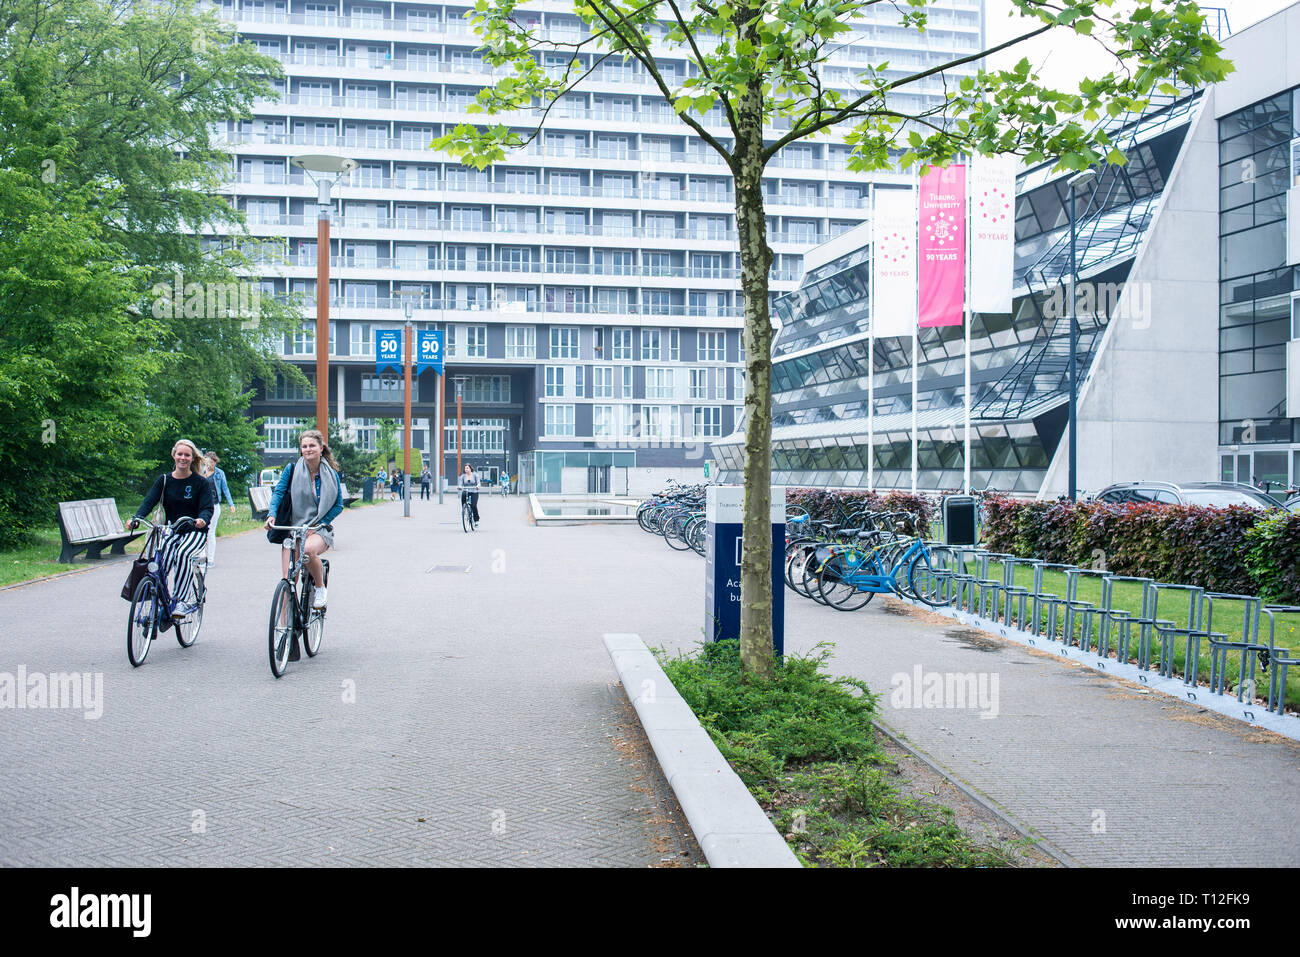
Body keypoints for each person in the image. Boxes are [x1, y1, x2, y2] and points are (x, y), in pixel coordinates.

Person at [128, 439, 215, 622]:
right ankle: (160, 598)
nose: (182, 458)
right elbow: (148, 502)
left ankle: (181, 600)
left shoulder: (200, 483)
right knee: (161, 559)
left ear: (192, 459)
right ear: (174, 456)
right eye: (179, 454)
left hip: (193, 531)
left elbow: (207, 508)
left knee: (182, 554)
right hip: (171, 529)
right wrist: (137, 519)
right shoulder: (165, 480)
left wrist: (202, 519)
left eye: (187, 455)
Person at [264, 429, 343, 612]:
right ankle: (284, 629)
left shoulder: (331, 474)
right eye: (304, 446)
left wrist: (316, 526)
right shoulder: (292, 470)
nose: (308, 449)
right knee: (288, 579)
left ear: (321, 448)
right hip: (294, 528)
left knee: (307, 551)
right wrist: (271, 514)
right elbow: (279, 493)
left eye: (312, 446)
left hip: (320, 528)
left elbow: (338, 505)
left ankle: (319, 587)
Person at [201, 452, 236, 568]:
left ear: (215, 462)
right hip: (201, 506)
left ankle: (210, 559)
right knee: (201, 532)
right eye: (206, 462)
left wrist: (231, 504)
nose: (209, 464)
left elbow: (225, 489)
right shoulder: (201, 472)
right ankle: (201, 557)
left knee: (210, 532)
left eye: (211, 462)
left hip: (214, 505)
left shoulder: (219, 474)